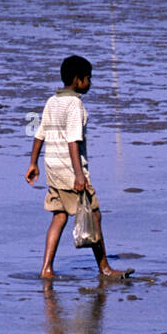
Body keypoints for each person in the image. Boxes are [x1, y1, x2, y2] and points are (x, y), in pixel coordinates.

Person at [26, 55, 126, 281]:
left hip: (52, 168)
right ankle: (105, 268)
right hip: (70, 171)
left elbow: (39, 133)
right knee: (95, 214)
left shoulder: (52, 101)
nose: (90, 83)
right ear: (78, 80)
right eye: (88, 79)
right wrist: (79, 175)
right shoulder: (75, 105)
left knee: (59, 216)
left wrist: (33, 162)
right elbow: (73, 141)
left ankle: (47, 268)